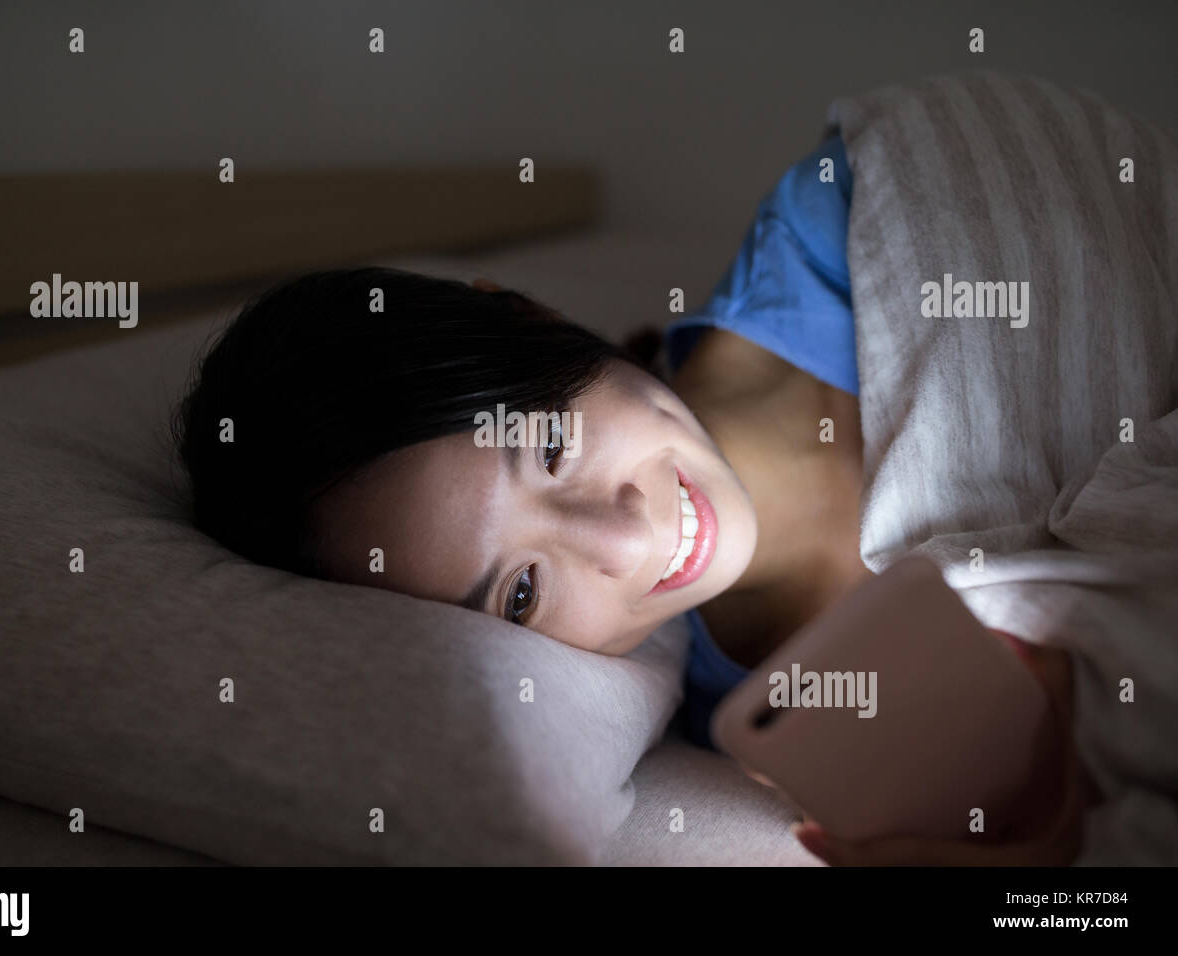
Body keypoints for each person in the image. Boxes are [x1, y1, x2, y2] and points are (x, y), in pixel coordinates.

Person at [172, 135, 1098, 864]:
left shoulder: (856, 212)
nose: (623, 540)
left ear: (533, 317)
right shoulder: (768, 729)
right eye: (520, 594)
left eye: (548, 446)